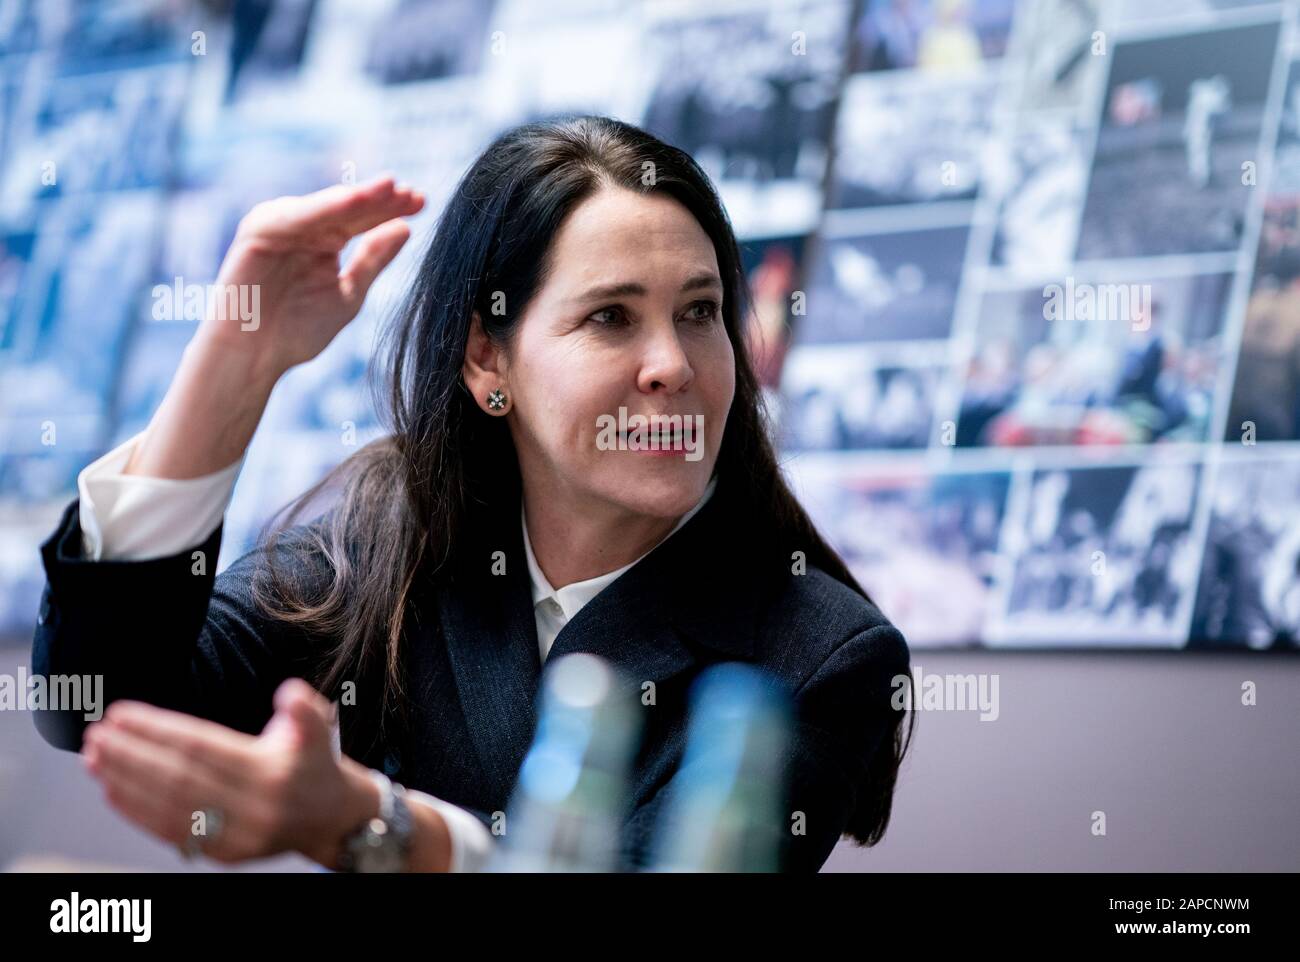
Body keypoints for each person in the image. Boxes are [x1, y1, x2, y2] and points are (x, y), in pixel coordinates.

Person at [31, 115, 913, 873]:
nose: (673, 367)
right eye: (611, 317)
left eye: (699, 311)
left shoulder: (825, 653)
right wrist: (237, 359)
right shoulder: (393, 531)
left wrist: (375, 827)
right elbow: (101, 700)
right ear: (488, 361)